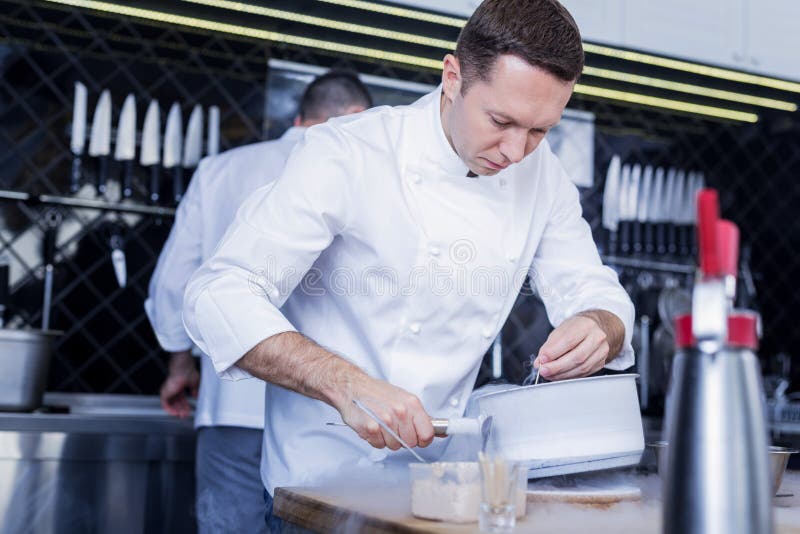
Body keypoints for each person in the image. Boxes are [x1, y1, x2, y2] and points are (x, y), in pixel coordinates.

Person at [182, 0, 635, 524]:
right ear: (452, 76)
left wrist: (599, 327)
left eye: (540, 130)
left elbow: (596, 292)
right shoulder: (348, 152)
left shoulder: (544, 177)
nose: (516, 151)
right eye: (500, 121)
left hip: (438, 498)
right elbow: (218, 293)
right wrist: (345, 383)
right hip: (315, 497)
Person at [144, 71, 372, 533]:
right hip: (327, 419)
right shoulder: (364, 179)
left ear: (298, 116)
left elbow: (173, 284)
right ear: (352, 117)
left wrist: (179, 368)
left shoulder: (221, 169)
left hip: (232, 406)